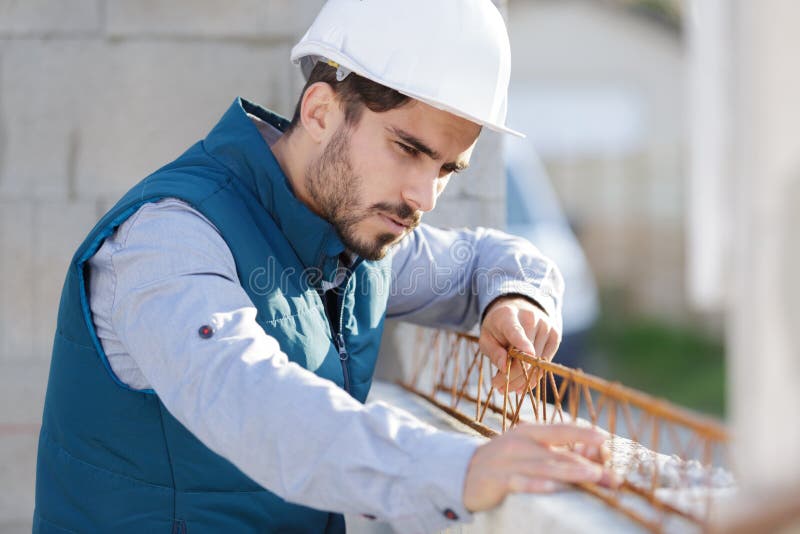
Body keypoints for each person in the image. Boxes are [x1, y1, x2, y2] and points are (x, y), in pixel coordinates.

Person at [33, 1, 616, 532]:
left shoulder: (352, 238)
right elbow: (255, 405)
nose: (424, 197)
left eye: (445, 169)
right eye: (408, 149)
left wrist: (516, 297)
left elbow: (490, 262)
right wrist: (461, 470)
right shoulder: (167, 239)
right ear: (319, 112)